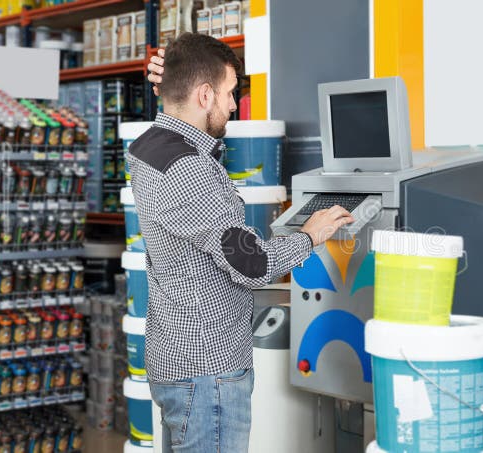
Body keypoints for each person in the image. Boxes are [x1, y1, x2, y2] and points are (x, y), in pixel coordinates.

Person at [131, 33, 354, 453]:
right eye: (231, 93)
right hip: (207, 369)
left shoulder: (150, 148)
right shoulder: (187, 169)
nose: (235, 105)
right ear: (203, 95)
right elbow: (252, 265)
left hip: (176, 353)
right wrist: (311, 234)